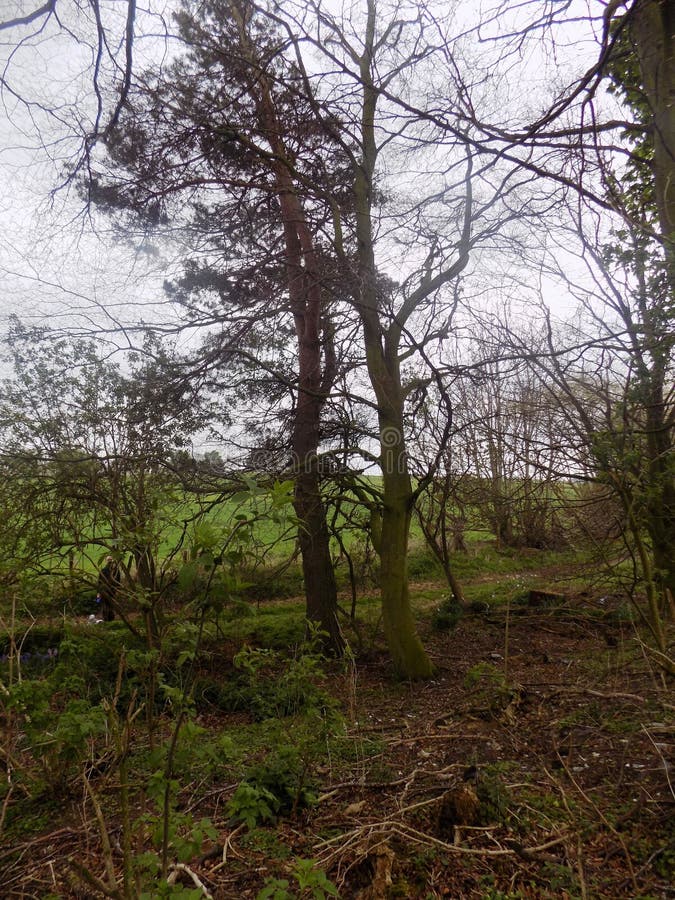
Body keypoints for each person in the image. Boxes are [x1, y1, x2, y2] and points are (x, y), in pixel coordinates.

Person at [97, 556, 120, 622]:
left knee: (105, 604)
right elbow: (118, 582)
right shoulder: (116, 571)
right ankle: (111, 619)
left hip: (105, 590)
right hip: (113, 590)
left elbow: (100, 582)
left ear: (106, 561)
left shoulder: (103, 570)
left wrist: (98, 592)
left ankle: (106, 619)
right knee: (111, 605)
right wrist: (117, 590)